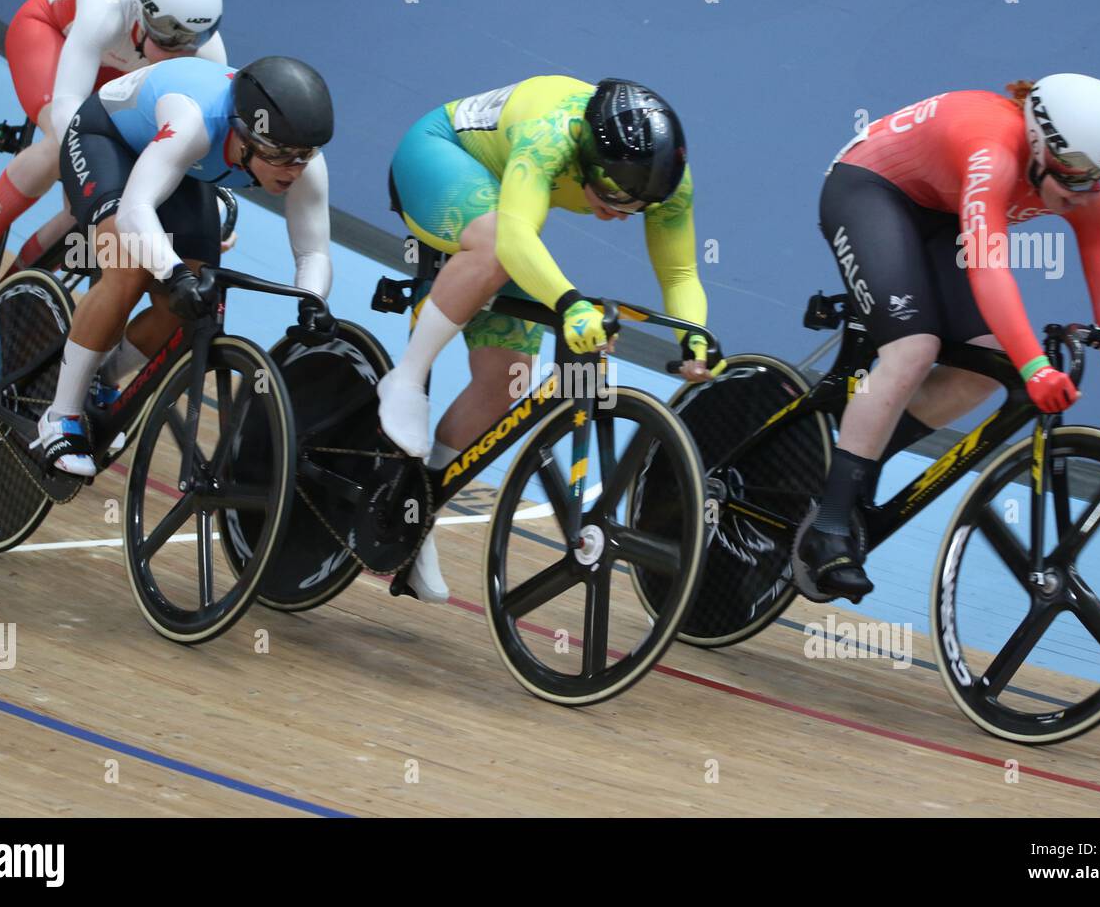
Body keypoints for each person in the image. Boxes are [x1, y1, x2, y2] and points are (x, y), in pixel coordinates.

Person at [796, 73, 1100, 602]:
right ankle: (829, 526)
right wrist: (1037, 368)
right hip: (870, 189)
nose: (1083, 193)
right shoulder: (993, 148)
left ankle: (856, 454)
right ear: (1039, 145)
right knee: (912, 349)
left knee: (983, 369)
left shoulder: (1090, 191)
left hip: (942, 210)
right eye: (1074, 178)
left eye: (1099, 180)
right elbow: (989, 268)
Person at [376, 76, 712, 604]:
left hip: (504, 203)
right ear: (590, 157)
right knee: (494, 246)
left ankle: (416, 511)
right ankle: (407, 377)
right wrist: (570, 305)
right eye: (616, 197)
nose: (623, 214)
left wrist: (695, 336)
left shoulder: (665, 178)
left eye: (638, 207)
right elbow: (514, 237)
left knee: (506, 387)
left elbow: (680, 274)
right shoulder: (551, 133)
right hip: (440, 157)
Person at [35, 55, 335, 476]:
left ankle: (101, 378)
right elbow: (134, 210)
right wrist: (173, 273)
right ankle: (60, 417)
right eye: (281, 155)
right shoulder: (195, 123)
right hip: (107, 138)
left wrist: (311, 302)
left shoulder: (304, 164)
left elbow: (312, 253)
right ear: (243, 137)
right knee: (128, 270)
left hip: (178, 167)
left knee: (191, 305)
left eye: (304, 156)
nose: (294, 169)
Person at [0, 0, 226, 298]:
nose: (180, 53)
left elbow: (207, 142)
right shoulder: (108, 7)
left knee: (92, 205)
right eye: (170, 41)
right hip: (50, 35)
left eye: (191, 41)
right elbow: (68, 105)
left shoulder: (208, 55)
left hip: (120, 77)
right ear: (142, 14)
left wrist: (210, 212)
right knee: (61, 143)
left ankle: (12, 289)